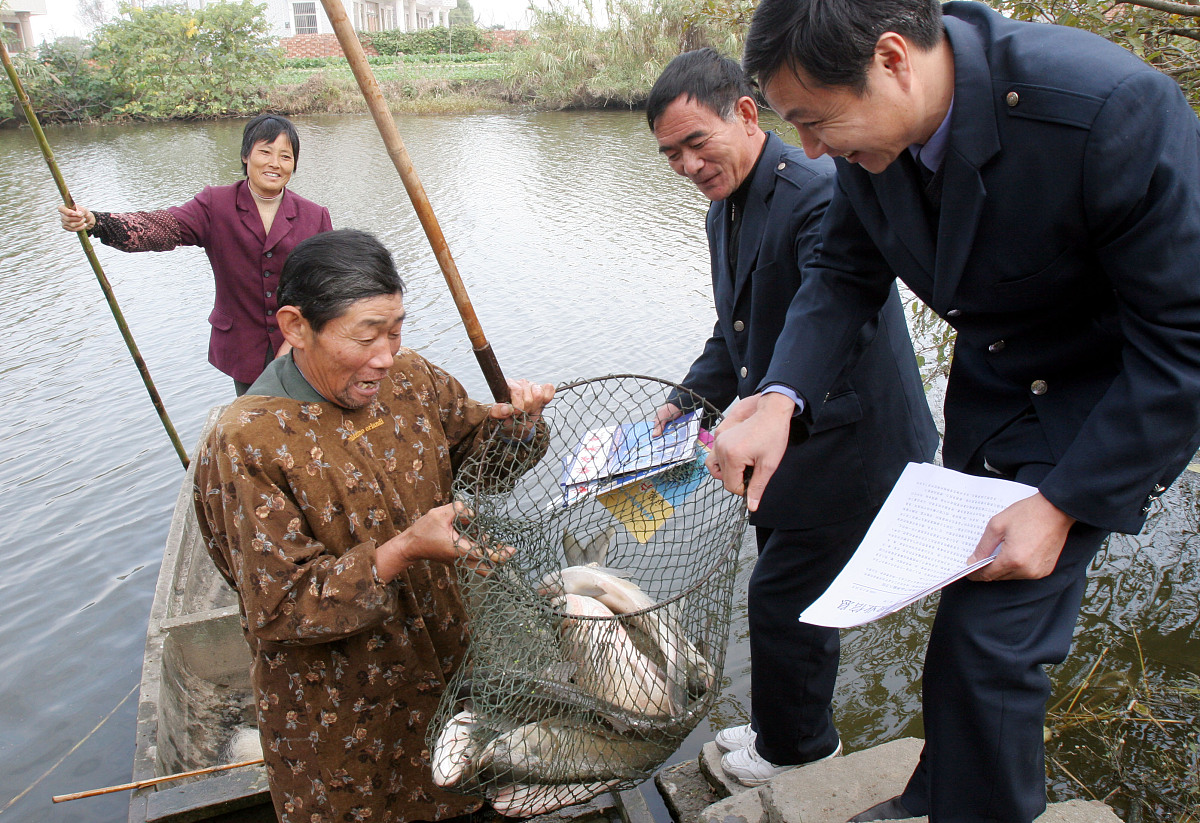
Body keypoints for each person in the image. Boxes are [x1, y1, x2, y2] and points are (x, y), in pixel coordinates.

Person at [709, 0, 1200, 820]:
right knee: (961, 624)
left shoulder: (1109, 112)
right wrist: (779, 396)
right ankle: (941, 790)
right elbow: (843, 275)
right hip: (993, 394)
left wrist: (1064, 503)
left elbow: (1186, 341)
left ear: (894, 58)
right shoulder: (882, 141)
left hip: (1103, 406)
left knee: (991, 647)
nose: (811, 149)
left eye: (817, 121)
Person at [645, 49, 937, 787]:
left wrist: (767, 404)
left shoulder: (816, 190)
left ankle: (798, 749)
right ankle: (787, 727)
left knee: (782, 600)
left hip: (849, 442)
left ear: (745, 114)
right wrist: (687, 396)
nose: (686, 164)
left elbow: (840, 318)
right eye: (670, 153)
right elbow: (735, 330)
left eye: (695, 142)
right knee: (791, 595)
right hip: (776, 442)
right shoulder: (728, 206)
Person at [193, 229, 555, 823]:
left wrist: (519, 426)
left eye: (396, 329)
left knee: (459, 791)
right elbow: (281, 607)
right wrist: (406, 549)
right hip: (342, 710)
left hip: (443, 666)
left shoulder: (408, 377)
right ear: (294, 327)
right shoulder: (246, 443)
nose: (385, 355)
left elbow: (483, 463)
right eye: (366, 335)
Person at [58, 113, 333, 394]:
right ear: (245, 156)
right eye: (265, 152)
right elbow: (161, 228)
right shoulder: (215, 204)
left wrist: (294, 342)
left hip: (303, 346)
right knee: (256, 425)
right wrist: (96, 222)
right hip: (244, 349)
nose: (275, 163)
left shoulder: (315, 216)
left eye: (286, 156)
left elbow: (327, 289)